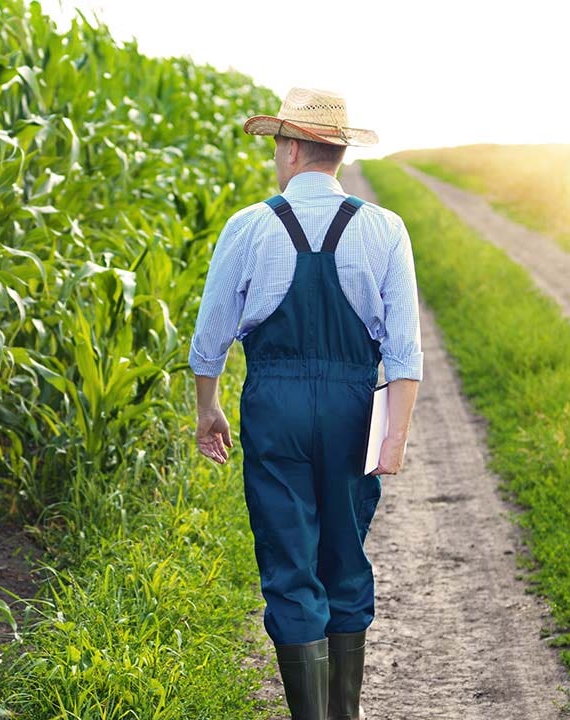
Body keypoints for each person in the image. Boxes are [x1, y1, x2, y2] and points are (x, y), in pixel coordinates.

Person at [188, 87, 422, 720]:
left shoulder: (248, 226)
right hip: (353, 410)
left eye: (275, 147)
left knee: (290, 563)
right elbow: (404, 349)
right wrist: (394, 436)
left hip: (275, 407)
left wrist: (208, 409)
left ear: (291, 149)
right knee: (345, 557)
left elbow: (210, 339)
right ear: (338, 153)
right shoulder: (385, 229)